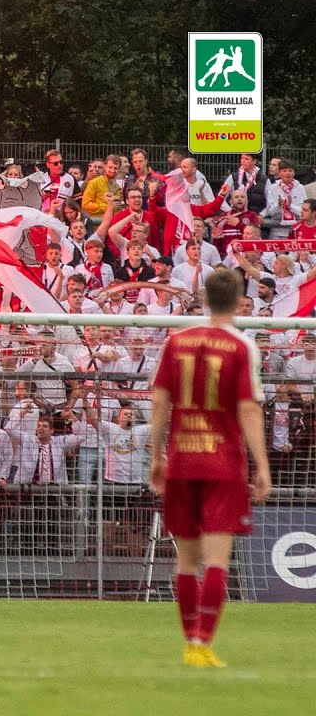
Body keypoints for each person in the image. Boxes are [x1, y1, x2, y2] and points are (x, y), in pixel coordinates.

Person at [148, 268, 270, 668]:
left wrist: (156, 455)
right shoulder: (241, 347)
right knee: (217, 560)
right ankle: (202, 642)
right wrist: (261, 465)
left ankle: (188, 641)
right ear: (238, 301)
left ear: (203, 298)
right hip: (223, 462)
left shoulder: (176, 341)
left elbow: (160, 401)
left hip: (182, 458)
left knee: (185, 560)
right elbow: (249, 409)